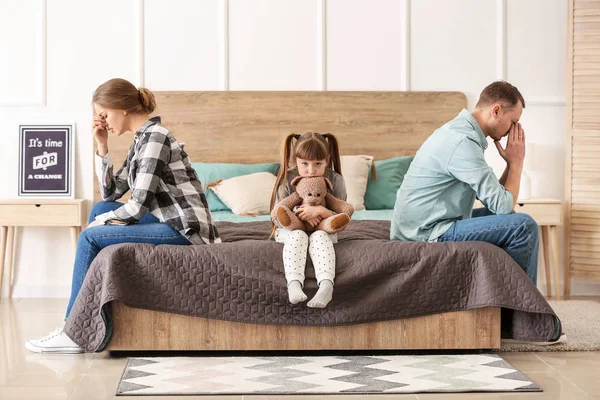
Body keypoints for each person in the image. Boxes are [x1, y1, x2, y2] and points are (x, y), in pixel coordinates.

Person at [25, 78, 220, 353]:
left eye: (104, 114)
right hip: (167, 219)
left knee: (89, 238)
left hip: (186, 229)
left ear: (122, 107)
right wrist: (102, 145)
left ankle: (72, 331)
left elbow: (138, 206)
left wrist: (99, 225)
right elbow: (111, 194)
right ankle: (85, 320)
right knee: (99, 209)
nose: (102, 121)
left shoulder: (156, 137)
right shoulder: (141, 140)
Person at [391, 80, 539, 284]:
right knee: (524, 226)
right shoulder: (462, 142)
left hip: (426, 225)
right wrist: (517, 163)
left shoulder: (461, 134)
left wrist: (509, 164)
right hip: (425, 234)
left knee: (510, 217)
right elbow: (504, 206)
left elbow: (496, 202)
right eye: (513, 122)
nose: (513, 130)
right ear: (496, 110)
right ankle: (521, 312)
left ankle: (504, 299)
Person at [269, 132, 350, 308]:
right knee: (298, 235)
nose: (311, 170)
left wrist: (321, 211)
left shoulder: (335, 179)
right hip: (292, 229)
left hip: (323, 229)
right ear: (295, 161)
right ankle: (294, 285)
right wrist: (302, 214)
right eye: (304, 164)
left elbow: (343, 215)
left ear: (327, 160)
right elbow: (278, 214)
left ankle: (326, 286)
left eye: (318, 164)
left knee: (319, 237)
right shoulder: (287, 178)